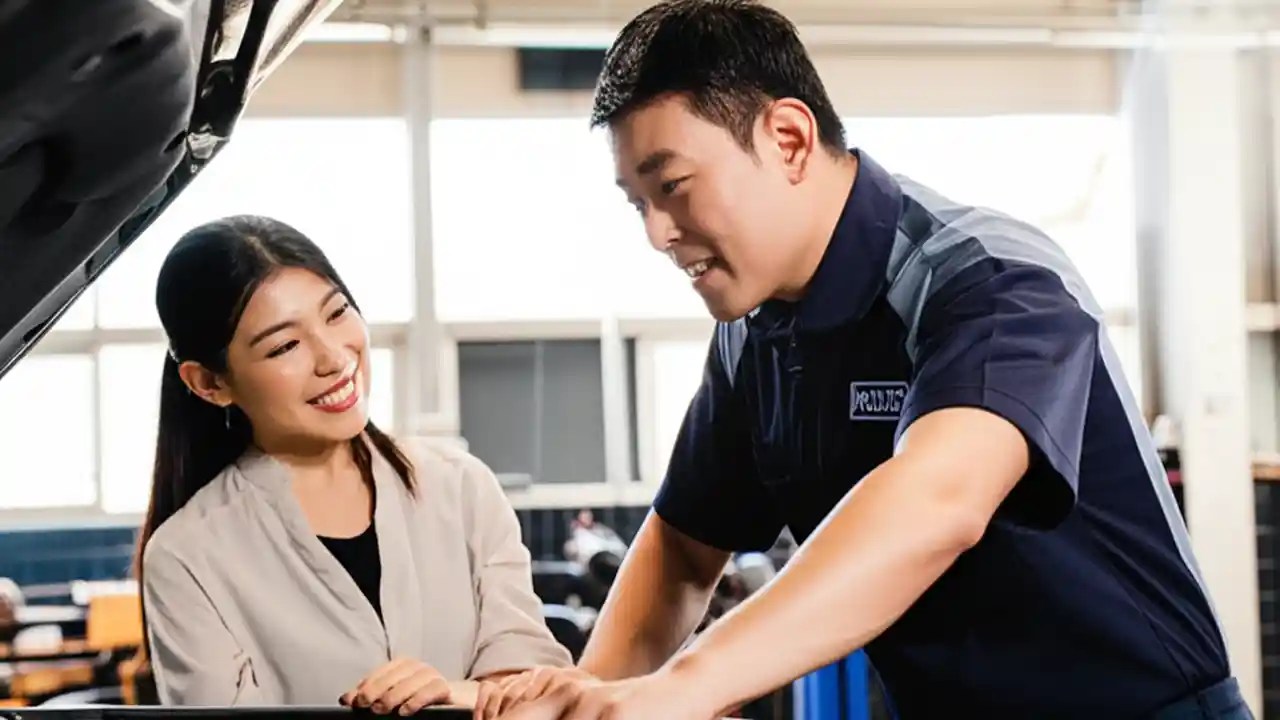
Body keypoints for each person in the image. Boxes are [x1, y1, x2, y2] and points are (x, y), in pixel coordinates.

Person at [479, 1, 1250, 719]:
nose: (657, 233)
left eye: (672, 187)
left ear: (787, 139)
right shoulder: (754, 333)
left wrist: (680, 690)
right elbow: (684, 547)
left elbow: (939, 504)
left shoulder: (990, 279)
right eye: (635, 203)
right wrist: (592, 692)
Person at [136, 215, 572, 713]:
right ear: (210, 384)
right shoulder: (186, 555)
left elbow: (540, 691)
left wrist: (450, 694)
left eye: (337, 313)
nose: (333, 357)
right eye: (284, 346)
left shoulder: (462, 487)